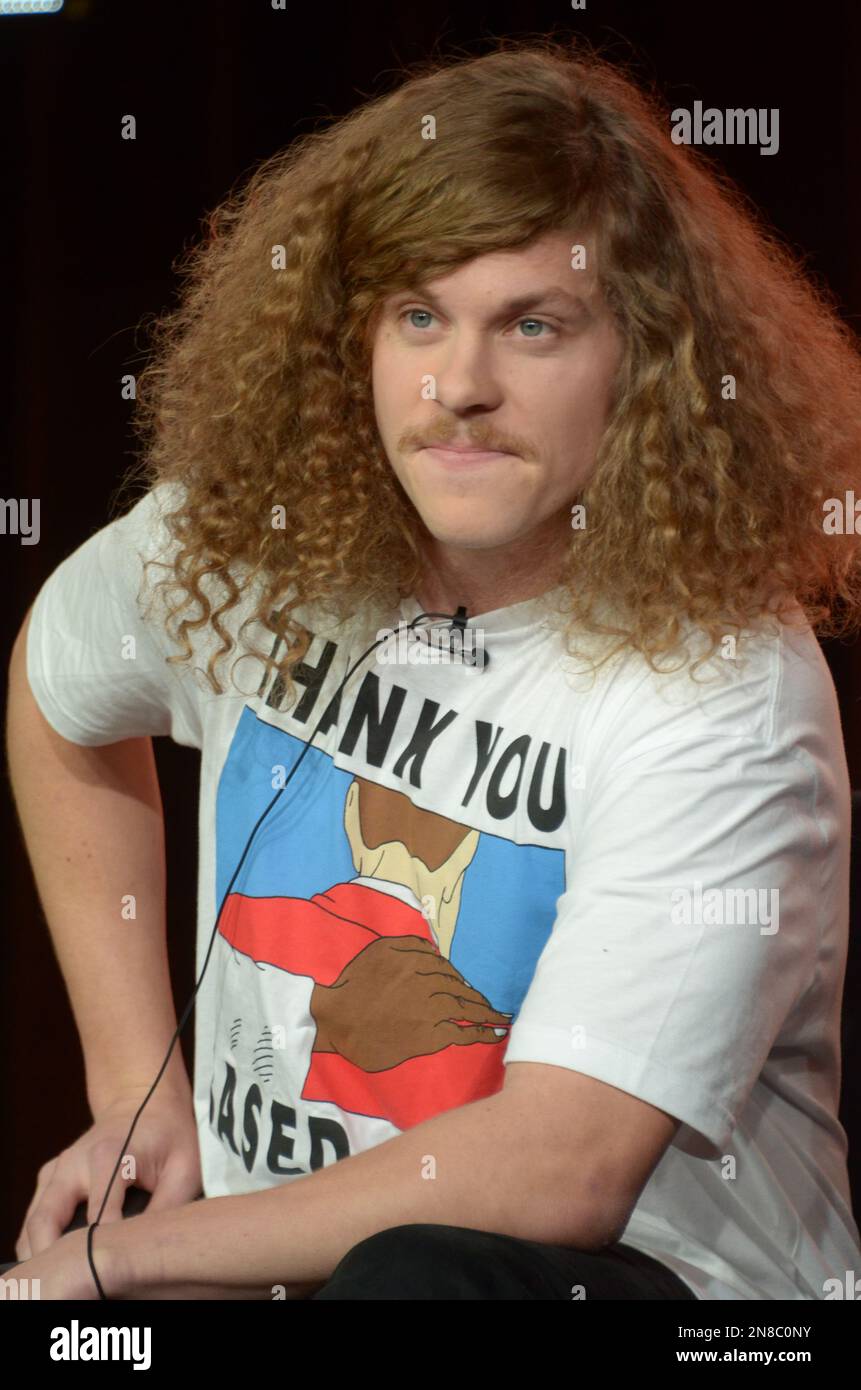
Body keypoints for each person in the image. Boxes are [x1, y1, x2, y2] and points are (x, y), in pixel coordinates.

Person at [6, 35, 861, 1300]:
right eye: (419, 316)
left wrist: (114, 1265)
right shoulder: (252, 542)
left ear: (646, 365)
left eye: (531, 325)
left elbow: (557, 1171)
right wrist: (135, 1086)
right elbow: (55, 692)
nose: (459, 386)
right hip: (278, 1266)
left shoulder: (724, 688)